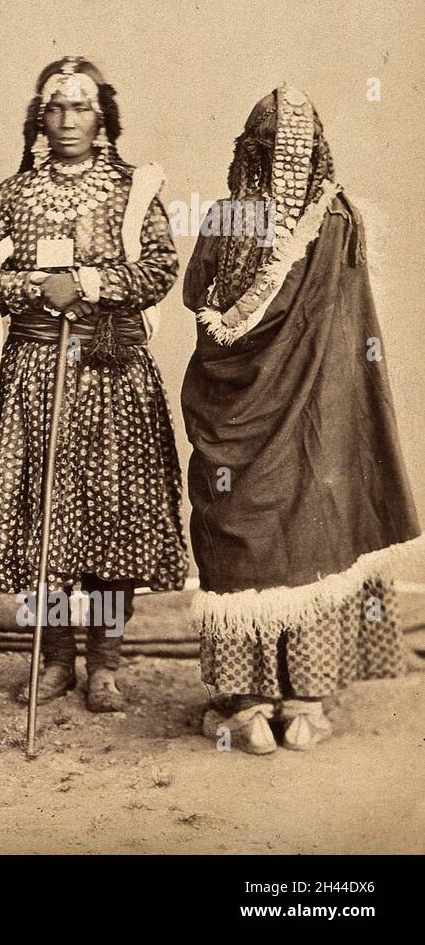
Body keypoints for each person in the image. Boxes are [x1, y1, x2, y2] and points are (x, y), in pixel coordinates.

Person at [182, 85, 419, 753]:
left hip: (295, 412)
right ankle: (289, 703)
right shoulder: (336, 217)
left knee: (271, 535)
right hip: (302, 415)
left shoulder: (243, 218)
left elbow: (197, 298)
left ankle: (263, 703)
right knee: (298, 537)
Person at [0, 57, 188, 713]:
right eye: (56, 107)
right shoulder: (13, 194)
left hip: (113, 375)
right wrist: (34, 287)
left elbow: (160, 268)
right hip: (34, 373)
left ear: (103, 116)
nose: (67, 120)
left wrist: (88, 284)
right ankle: (55, 658)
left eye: (81, 106)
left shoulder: (131, 190)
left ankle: (106, 665)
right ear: (40, 116)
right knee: (44, 520)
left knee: (111, 519)